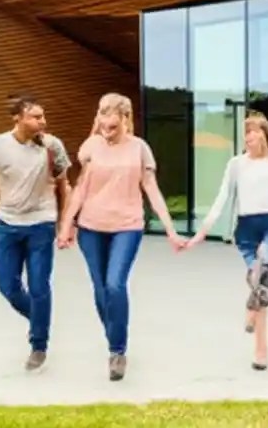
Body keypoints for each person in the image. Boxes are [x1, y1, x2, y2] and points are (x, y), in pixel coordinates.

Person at [58, 93, 185, 381]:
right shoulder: (91, 147)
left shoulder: (139, 149)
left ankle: (117, 350)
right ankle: (114, 334)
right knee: (101, 288)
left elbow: (151, 188)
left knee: (115, 284)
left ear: (126, 120)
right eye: (102, 122)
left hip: (127, 226)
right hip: (90, 226)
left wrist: (171, 230)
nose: (106, 129)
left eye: (112, 125)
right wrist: (67, 224)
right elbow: (80, 188)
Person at [183, 111, 268, 371]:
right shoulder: (236, 164)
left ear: (265, 135)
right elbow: (222, 199)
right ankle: (255, 312)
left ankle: (260, 350)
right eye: (246, 133)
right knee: (259, 285)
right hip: (246, 229)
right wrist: (200, 234)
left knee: (261, 273)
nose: (249, 137)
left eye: (254, 132)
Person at [0, 95, 71, 372]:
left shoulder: (52, 146)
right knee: (8, 286)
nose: (42, 121)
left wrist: (66, 225)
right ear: (19, 118)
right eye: (36, 116)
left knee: (39, 286)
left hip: (41, 224)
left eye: (43, 116)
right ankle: (40, 320)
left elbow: (64, 186)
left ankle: (39, 345)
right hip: (7, 225)